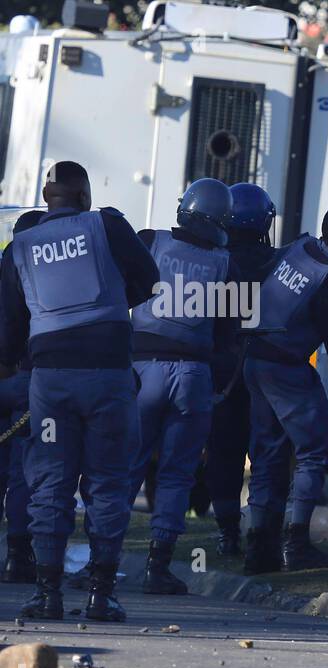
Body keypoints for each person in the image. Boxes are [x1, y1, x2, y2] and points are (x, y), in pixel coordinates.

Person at [0, 160, 160, 621]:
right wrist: (109, 302)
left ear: (47, 199)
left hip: (50, 383)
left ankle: (47, 594)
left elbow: (9, 330)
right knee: (108, 481)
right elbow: (149, 279)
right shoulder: (105, 224)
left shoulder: (19, 247)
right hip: (108, 376)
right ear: (83, 195)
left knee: (50, 481)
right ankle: (101, 594)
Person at [241, 204, 328, 574]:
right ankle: (296, 543)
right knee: (312, 452)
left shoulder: (301, 247)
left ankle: (259, 548)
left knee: (266, 456)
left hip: (255, 358)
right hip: (285, 367)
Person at [128, 178, 240, 595]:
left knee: (126, 467)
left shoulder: (149, 241)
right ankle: (158, 567)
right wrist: (219, 387)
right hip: (194, 376)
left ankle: (101, 562)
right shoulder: (228, 264)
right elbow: (231, 337)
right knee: (177, 474)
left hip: (143, 372)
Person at [204, 182, 279, 557]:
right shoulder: (279, 262)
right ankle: (263, 529)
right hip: (267, 366)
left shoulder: (212, 260)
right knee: (266, 448)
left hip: (221, 368)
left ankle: (228, 531)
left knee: (224, 449)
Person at [0, 209, 47, 584]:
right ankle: (18, 554)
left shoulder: (6, 261)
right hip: (29, 379)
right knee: (23, 472)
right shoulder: (47, 272)